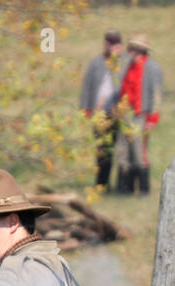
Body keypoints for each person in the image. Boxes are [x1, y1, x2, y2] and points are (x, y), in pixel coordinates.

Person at [113, 34, 162, 195]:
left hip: (140, 113)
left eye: (133, 48)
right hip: (125, 113)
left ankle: (143, 189)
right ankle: (123, 188)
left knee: (139, 151)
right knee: (122, 149)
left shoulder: (152, 68)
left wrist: (152, 118)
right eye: (130, 48)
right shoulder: (127, 66)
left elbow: (156, 96)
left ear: (141, 50)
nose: (129, 51)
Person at [79, 30, 123, 189]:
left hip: (118, 113)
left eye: (115, 43)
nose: (111, 46)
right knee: (101, 150)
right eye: (109, 42)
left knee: (116, 149)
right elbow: (87, 88)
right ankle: (101, 183)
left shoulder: (123, 63)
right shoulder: (96, 63)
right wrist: (85, 109)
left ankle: (118, 184)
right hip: (99, 113)